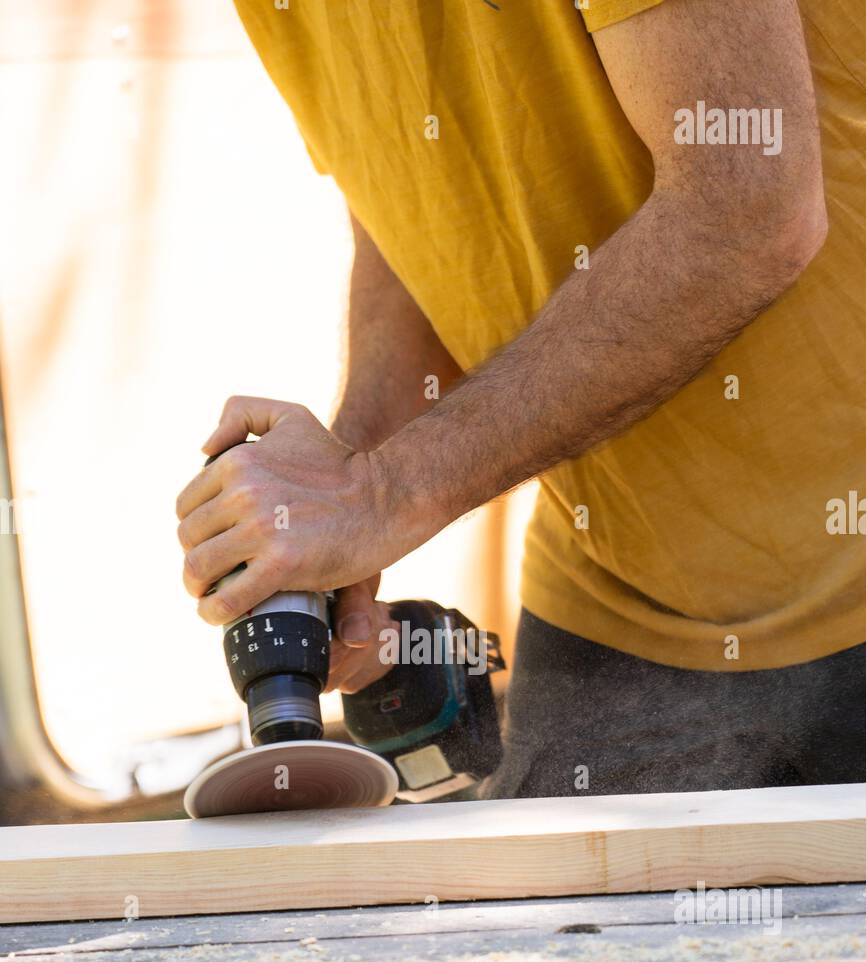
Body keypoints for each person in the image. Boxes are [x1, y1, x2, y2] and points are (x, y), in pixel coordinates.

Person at [176, 0, 866, 797]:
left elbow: (749, 208)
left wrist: (388, 492)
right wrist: (349, 490)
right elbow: (417, 208)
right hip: (618, 583)